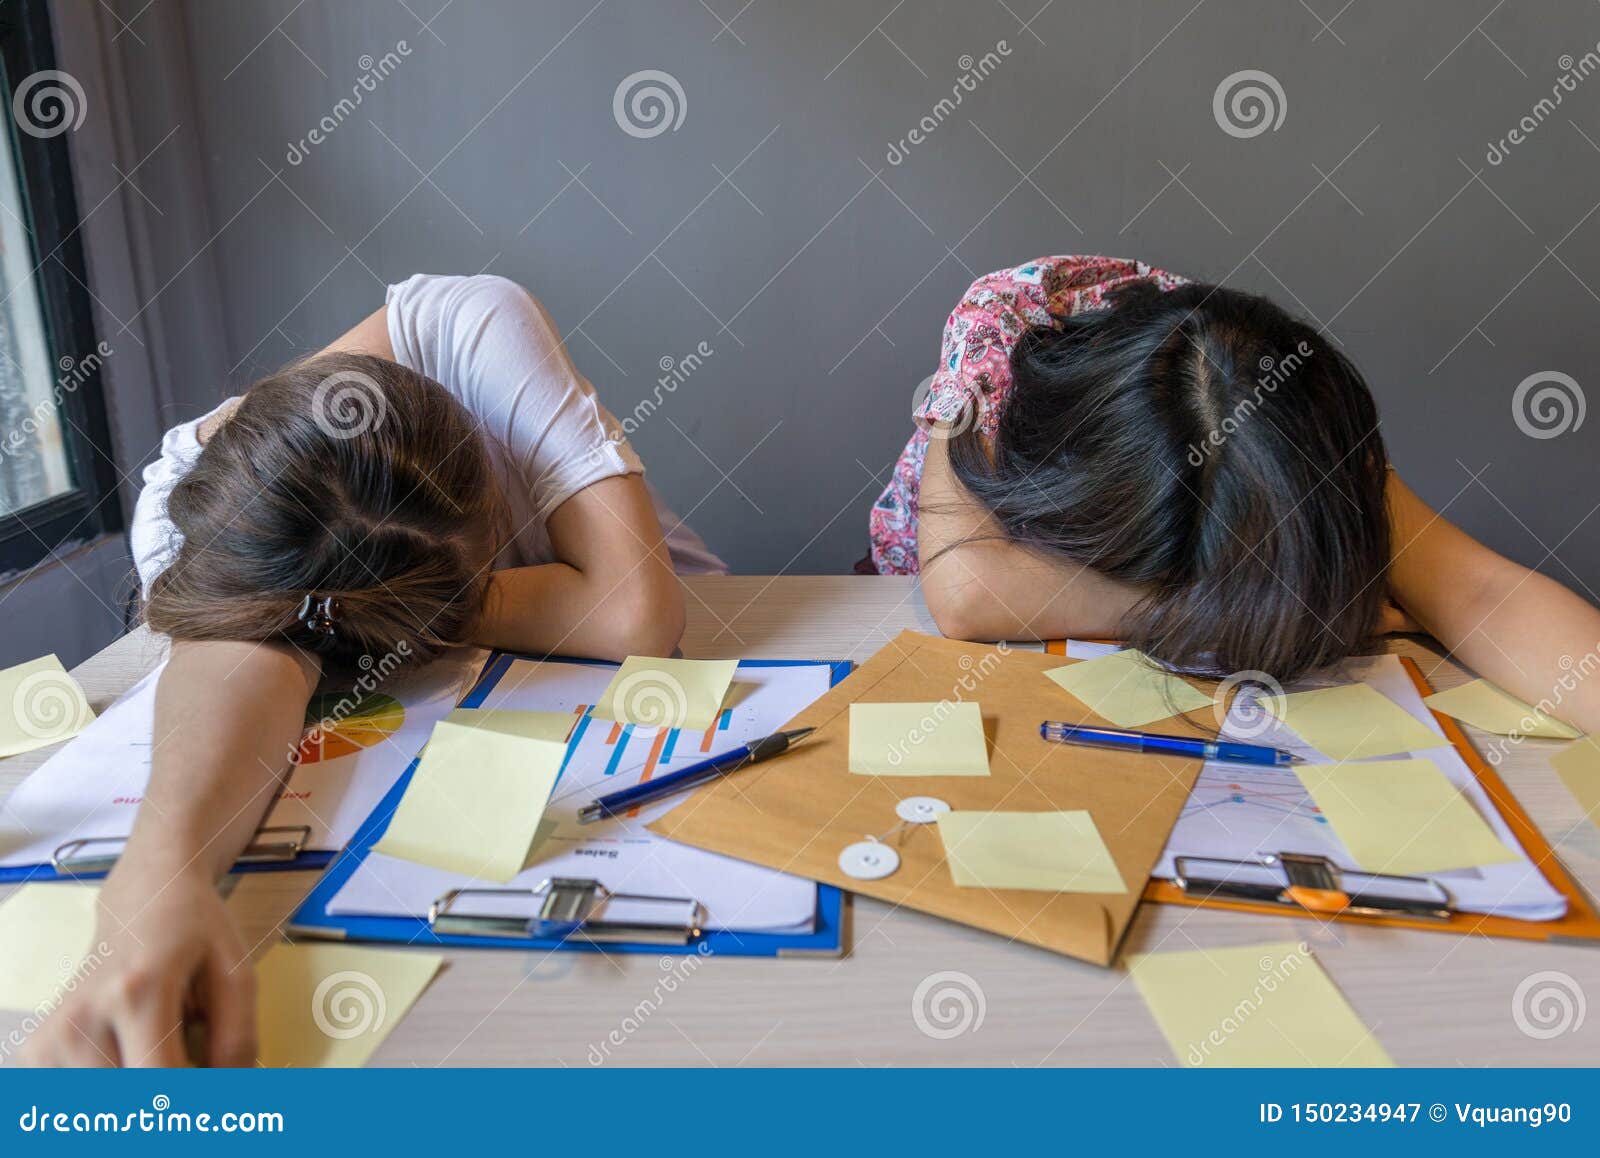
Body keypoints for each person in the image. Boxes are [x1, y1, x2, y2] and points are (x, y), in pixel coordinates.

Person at [24, 273, 724, 1066]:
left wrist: (359, 614)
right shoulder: (181, 530)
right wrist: (157, 881)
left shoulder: (464, 325)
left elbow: (634, 614)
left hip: (709, 641)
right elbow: (238, 676)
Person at [871, 254, 1600, 729]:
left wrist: (1246, 603)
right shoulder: (1008, 334)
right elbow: (967, 594)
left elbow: (1480, 593)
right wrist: (1242, 606)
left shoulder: (1277, 410)